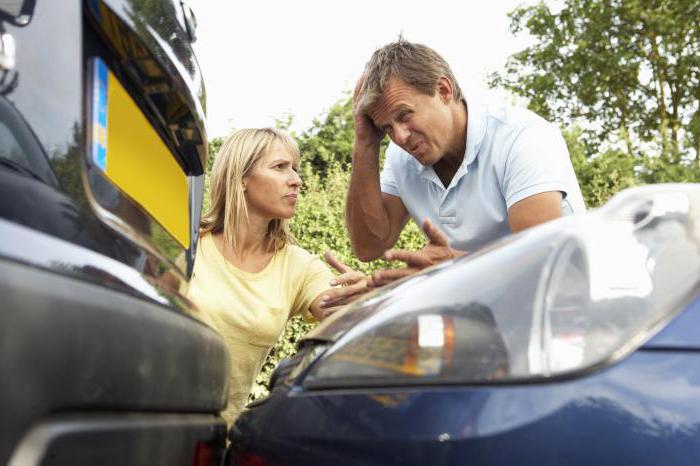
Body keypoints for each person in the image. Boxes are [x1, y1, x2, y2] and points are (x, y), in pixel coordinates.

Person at [346, 38, 585, 285]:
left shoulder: (523, 136)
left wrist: (446, 271)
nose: (400, 137)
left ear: (444, 90)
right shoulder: (400, 157)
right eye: (386, 128)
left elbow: (540, 263)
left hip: (567, 306)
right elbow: (368, 247)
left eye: (404, 115)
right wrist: (365, 142)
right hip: (479, 309)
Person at [184, 128, 367, 424]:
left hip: (217, 442)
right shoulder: (186, 241)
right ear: (241, 177)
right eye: (280, 167)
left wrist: (364, 301)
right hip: (146, 424)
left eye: (295, 168)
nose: (296, 180)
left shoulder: (298, 265)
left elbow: (340, 313)